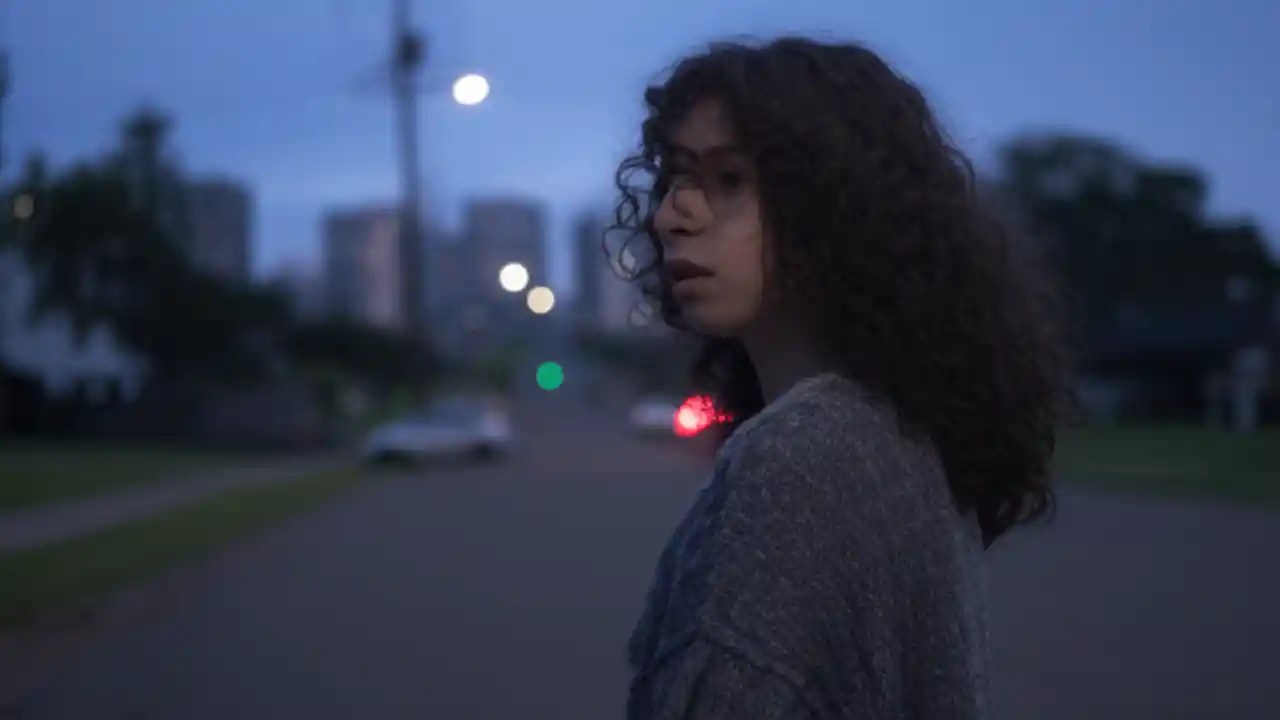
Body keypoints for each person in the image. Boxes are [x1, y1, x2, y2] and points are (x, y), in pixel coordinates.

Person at [611, 37, 1076, 719]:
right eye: (675, 179)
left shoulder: (805, 455)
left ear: (838, 209)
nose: (670, 216)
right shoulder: (892, 431)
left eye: (729, 180)